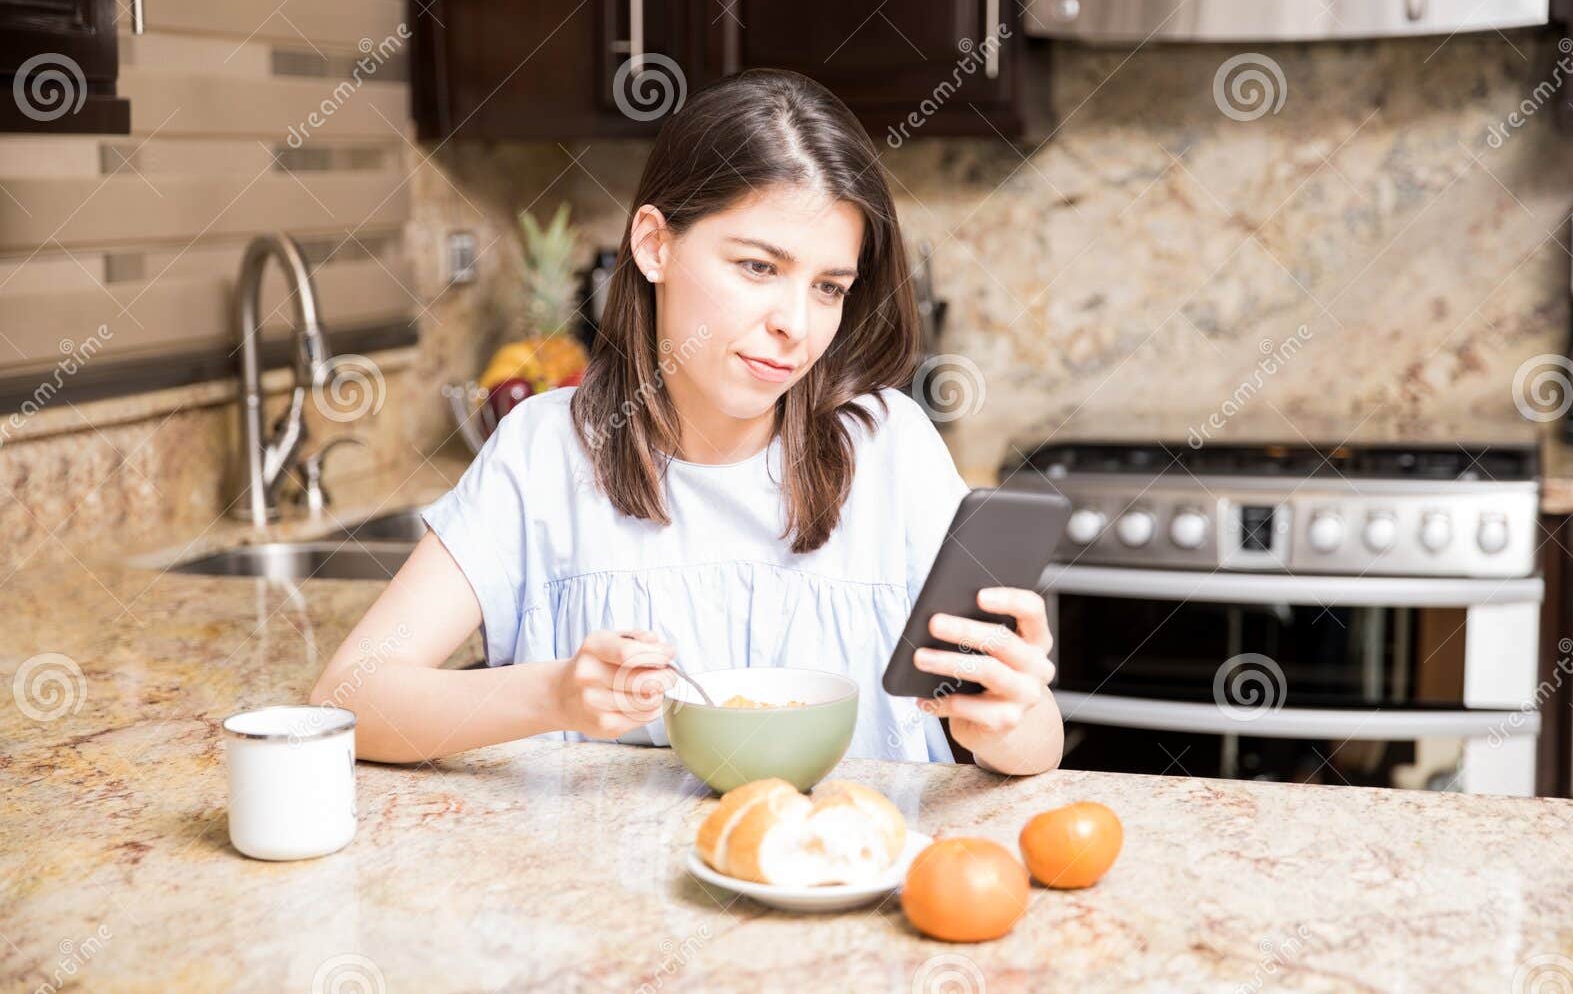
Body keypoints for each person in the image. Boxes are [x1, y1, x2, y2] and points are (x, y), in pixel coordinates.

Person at [311, 68, 1062, 776]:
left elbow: (1040, 743)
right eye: (758, 268)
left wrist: (1004, 719)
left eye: (829, 286)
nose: (795, 325)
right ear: (654, 245)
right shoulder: (543, 452)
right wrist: (554, 696)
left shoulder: (891, 447)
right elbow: (347, 698)